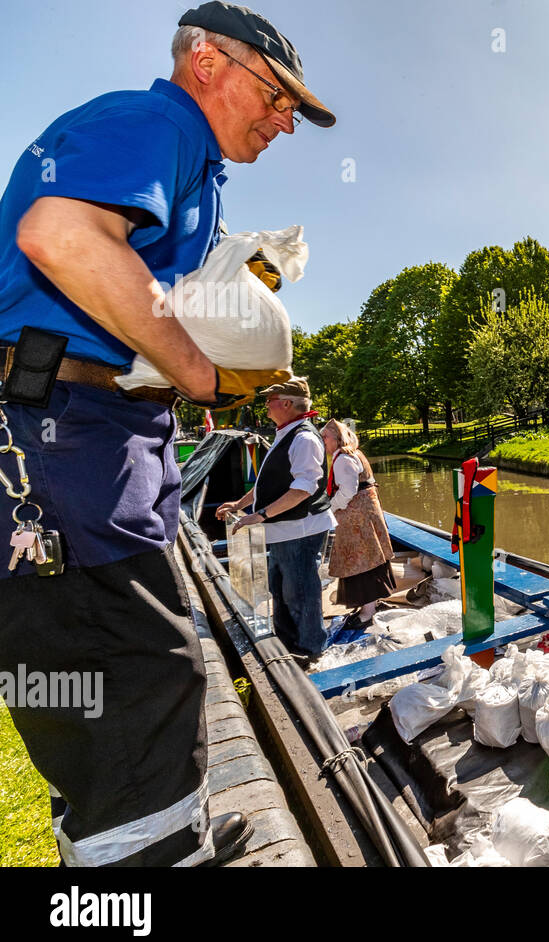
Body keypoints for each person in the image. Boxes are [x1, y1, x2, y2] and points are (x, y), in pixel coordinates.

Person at [0, 2, 334, 866]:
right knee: (138, 676)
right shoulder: (161, 123)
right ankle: (145, 860)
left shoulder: (197, 172)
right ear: (208, 60)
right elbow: (59, 233)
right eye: (276, 93)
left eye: (294, 109)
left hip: (94, 434)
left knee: (102, 689)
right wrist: (195, 369)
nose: (284, 119)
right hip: (58, 439)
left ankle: (153, 834)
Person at [216, 378, 335, 659]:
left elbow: (304, 489)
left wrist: (260, 515)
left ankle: (311, 649)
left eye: (271, 400)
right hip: (284, 529)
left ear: (286, 404)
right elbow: (269, 483)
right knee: (280, 589)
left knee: (301, 591)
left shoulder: (304, 438)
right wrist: (240, 503)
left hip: (300, 529)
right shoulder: (288, 432)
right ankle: (287, 643)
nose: (266, 405)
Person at [320, 418, 396, 629]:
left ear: (336, 439)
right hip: (363, 515)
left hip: (358, 519)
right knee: (369, 558)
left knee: (362, 561)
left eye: (325, 436)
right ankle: (370, 606)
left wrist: (330, 508)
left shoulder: (344, 459)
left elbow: (347, 492)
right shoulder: (349, 454)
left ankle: (367, 613)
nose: (322, 440)